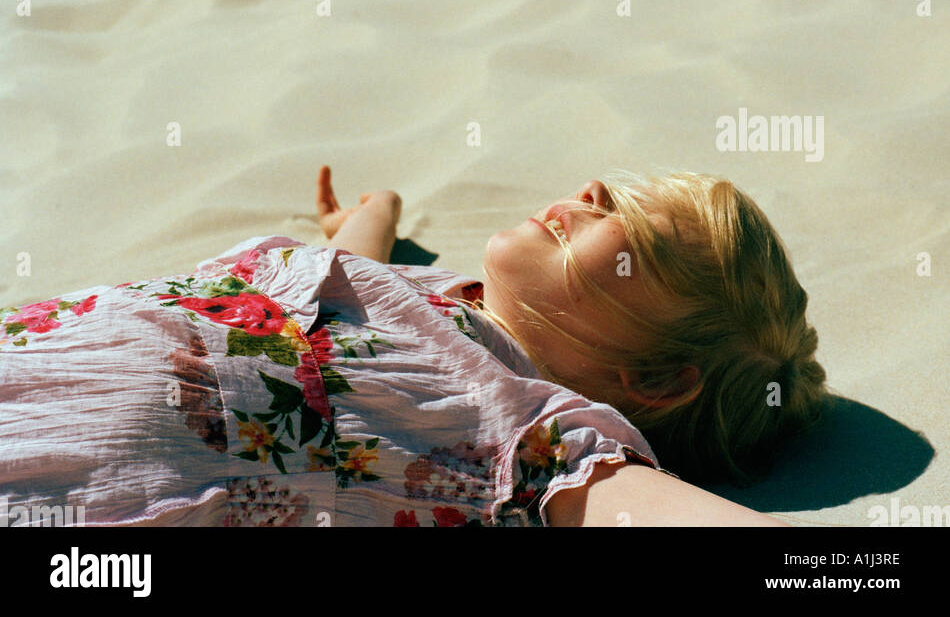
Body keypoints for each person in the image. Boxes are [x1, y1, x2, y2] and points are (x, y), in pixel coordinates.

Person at [0, 165, 826, 527]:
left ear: (655, 375)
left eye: (636, 233)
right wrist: (376, 210)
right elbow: (357, 269)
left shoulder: (538, 437)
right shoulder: (428, 299)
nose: (592, 191)